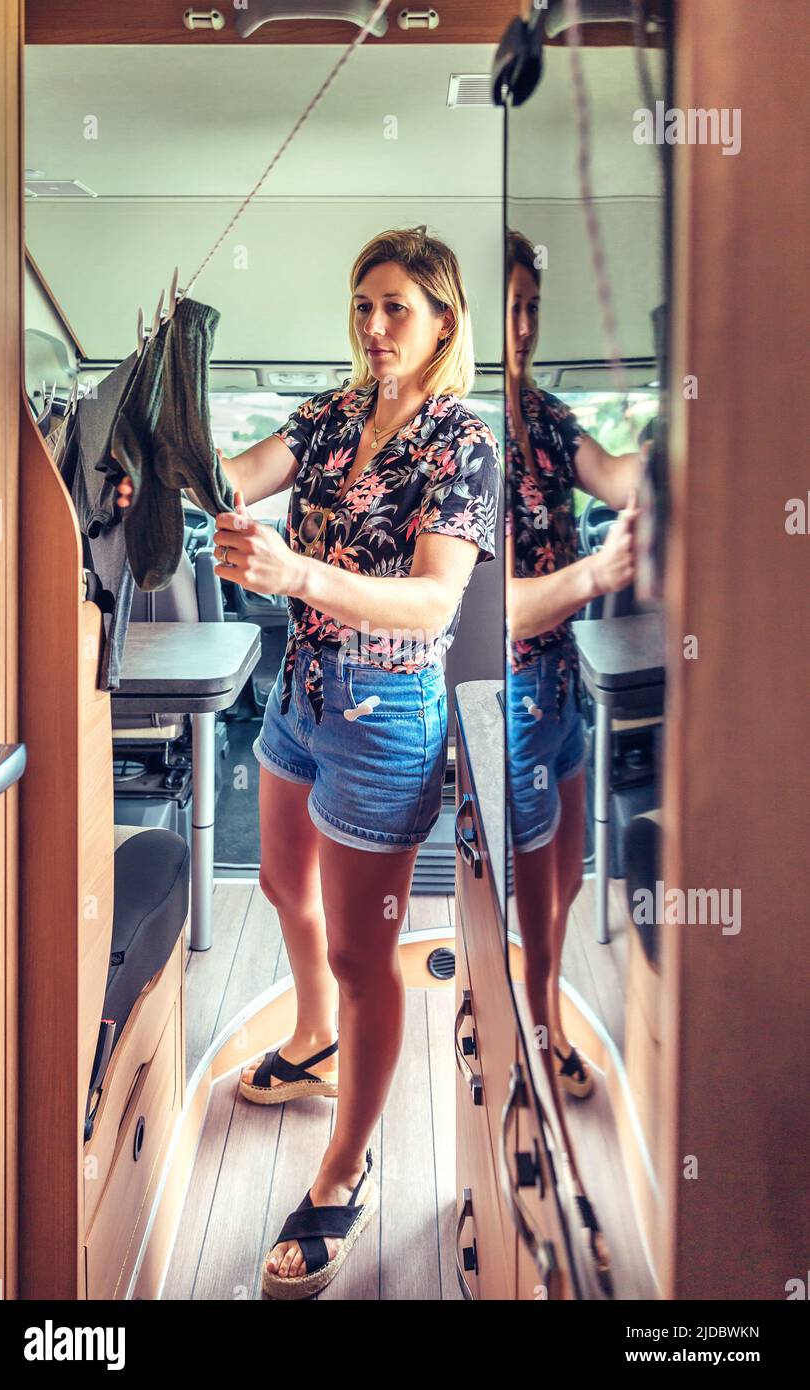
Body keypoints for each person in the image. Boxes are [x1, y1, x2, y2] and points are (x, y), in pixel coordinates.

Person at [118, 226, 501, 1298]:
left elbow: (432, 601)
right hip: (303, 695)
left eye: (396, 307)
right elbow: (229, 479)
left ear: (439, 320)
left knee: (361, 954)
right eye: (361, 303)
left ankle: (345, 1169)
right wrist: (155, 449)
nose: (374, 326)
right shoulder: (332, 415)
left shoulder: (459, 444)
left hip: (383, 718)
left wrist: (295, 572)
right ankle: (316, 1038)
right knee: (285, 885)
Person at [504, 227, 648, 1294]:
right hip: (496, 691)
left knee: (555, 895)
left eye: (528, 313)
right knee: (507, 898)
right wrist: (597, 572)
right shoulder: (453, 431)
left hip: (555, 683)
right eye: (500, 310)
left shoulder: (548, 421)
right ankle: (510, 1067)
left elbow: (616, 471)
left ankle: (544, 1025)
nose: (515, 332)